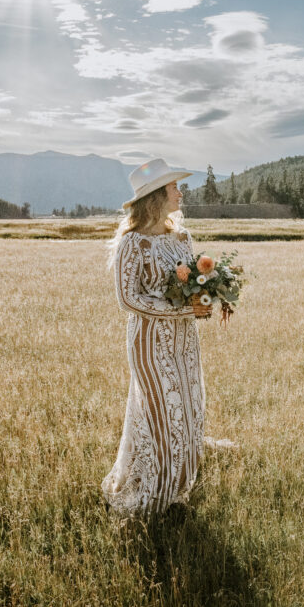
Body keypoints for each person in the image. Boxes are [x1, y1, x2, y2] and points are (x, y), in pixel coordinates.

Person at [102, 157, 211, 516]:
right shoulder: (133, 243)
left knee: (189, 411)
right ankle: (153, 497)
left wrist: (208, 296)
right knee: (162, 416)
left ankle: (178, 489)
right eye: (174, 187)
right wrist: (183, 311)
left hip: (186, 343)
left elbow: (192, 282)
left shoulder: (183, 237)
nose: (180, 193)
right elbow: (127, 299)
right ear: (157, 197)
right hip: (150, 345)